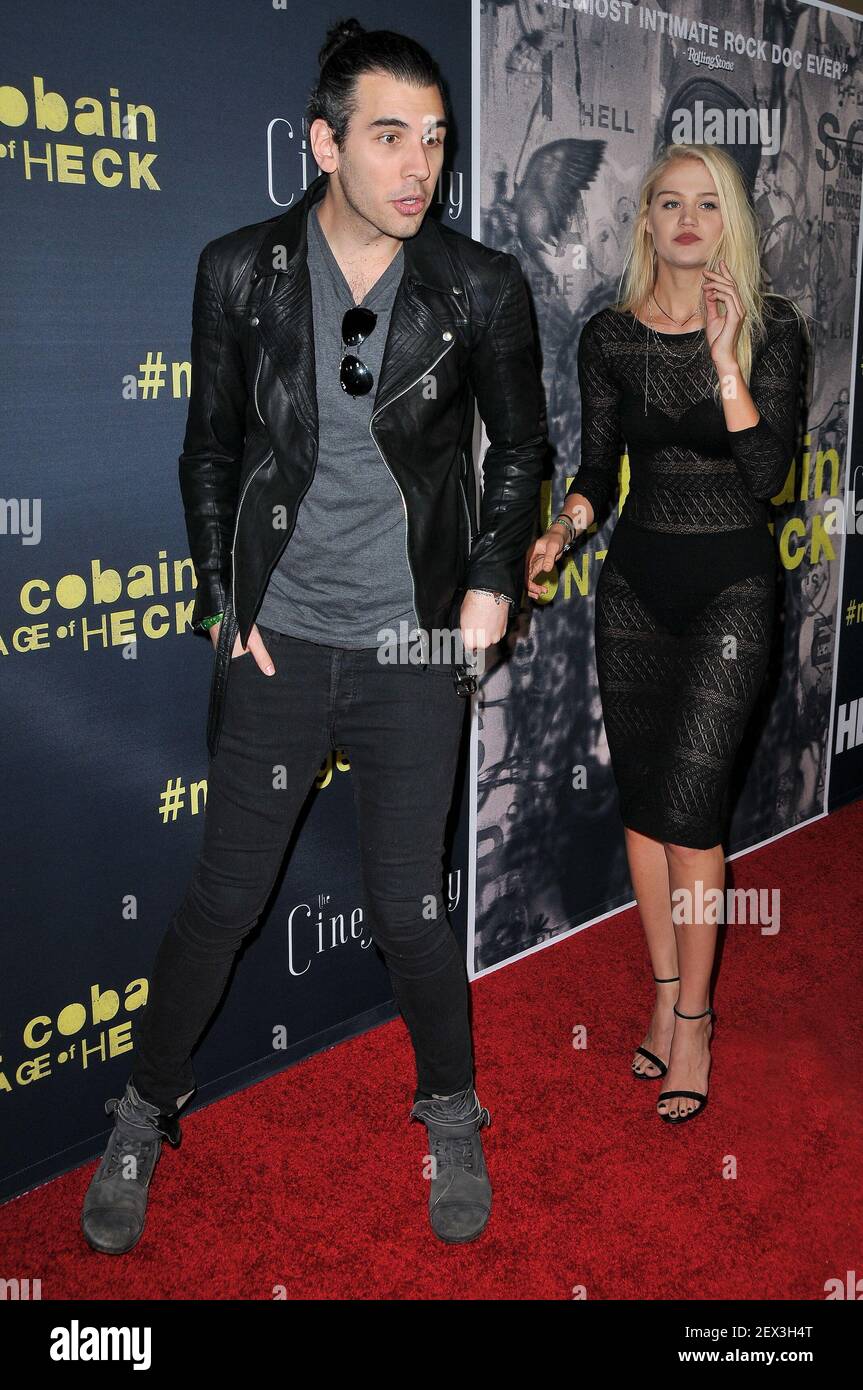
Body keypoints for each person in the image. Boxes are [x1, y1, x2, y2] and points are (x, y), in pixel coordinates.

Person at [82, 18, 546, 1253]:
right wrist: (223, 604)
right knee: (224, 899)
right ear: (324, 141)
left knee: (406, 904)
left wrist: (492, 581)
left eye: (434, 141)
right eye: (388, 137)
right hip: (281, 637)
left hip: (409, 648)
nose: (417, 168)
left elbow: (524, 452)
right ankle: (141, 1112)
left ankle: (450, 1107)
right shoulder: (240, 271)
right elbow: (210, 449)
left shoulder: (478, 286)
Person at [526, 143, 806, 1124]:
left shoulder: (775, 335)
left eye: (705, 203)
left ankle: (693, 1017)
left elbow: (768, 475)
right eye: (667, 203)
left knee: (691, 814)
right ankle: (658, 988)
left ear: (727, 220)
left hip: (731, 587)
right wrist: (563, 527)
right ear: (644, 219)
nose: (686, 219)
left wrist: (725, 361)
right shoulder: (605, 337)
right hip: (635, 587)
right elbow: (600, 468)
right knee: (643, 814)